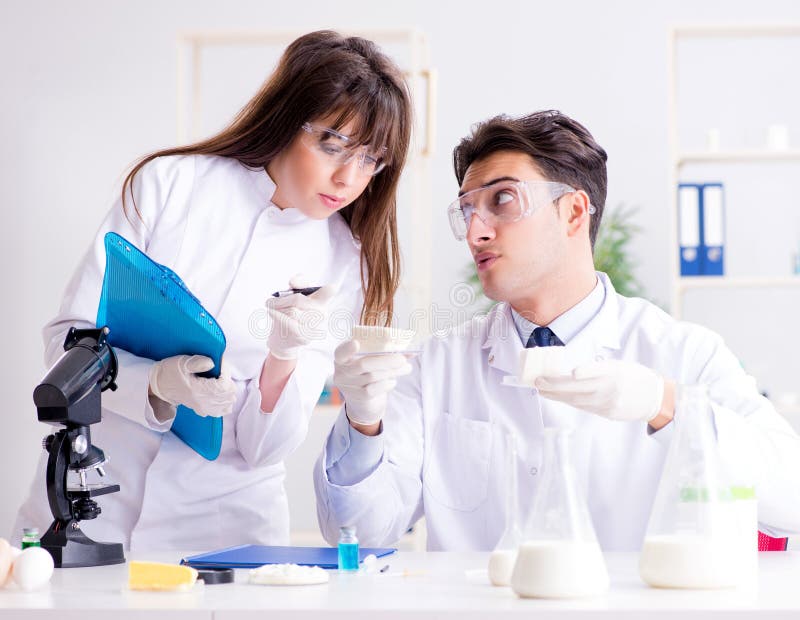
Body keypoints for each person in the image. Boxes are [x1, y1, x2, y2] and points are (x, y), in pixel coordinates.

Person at [314, 110, 800, 551]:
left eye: (502, 199)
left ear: (572, 211)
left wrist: (665, 405)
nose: (475, 231)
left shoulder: (683, 353)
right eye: (466, 210)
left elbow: (790, 502)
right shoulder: (436, 365)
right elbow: (357, 534)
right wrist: (363, 422)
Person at [14, 30, 412, 551]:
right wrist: (153, 383)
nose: (348, 177)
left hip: (225, 531)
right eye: (333, 144)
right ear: (287, 117)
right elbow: (64, 345)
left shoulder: (344, 260)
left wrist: (282, 360)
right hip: (87, 507)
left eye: (371, 160)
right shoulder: (170, 185)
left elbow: (266, 447)